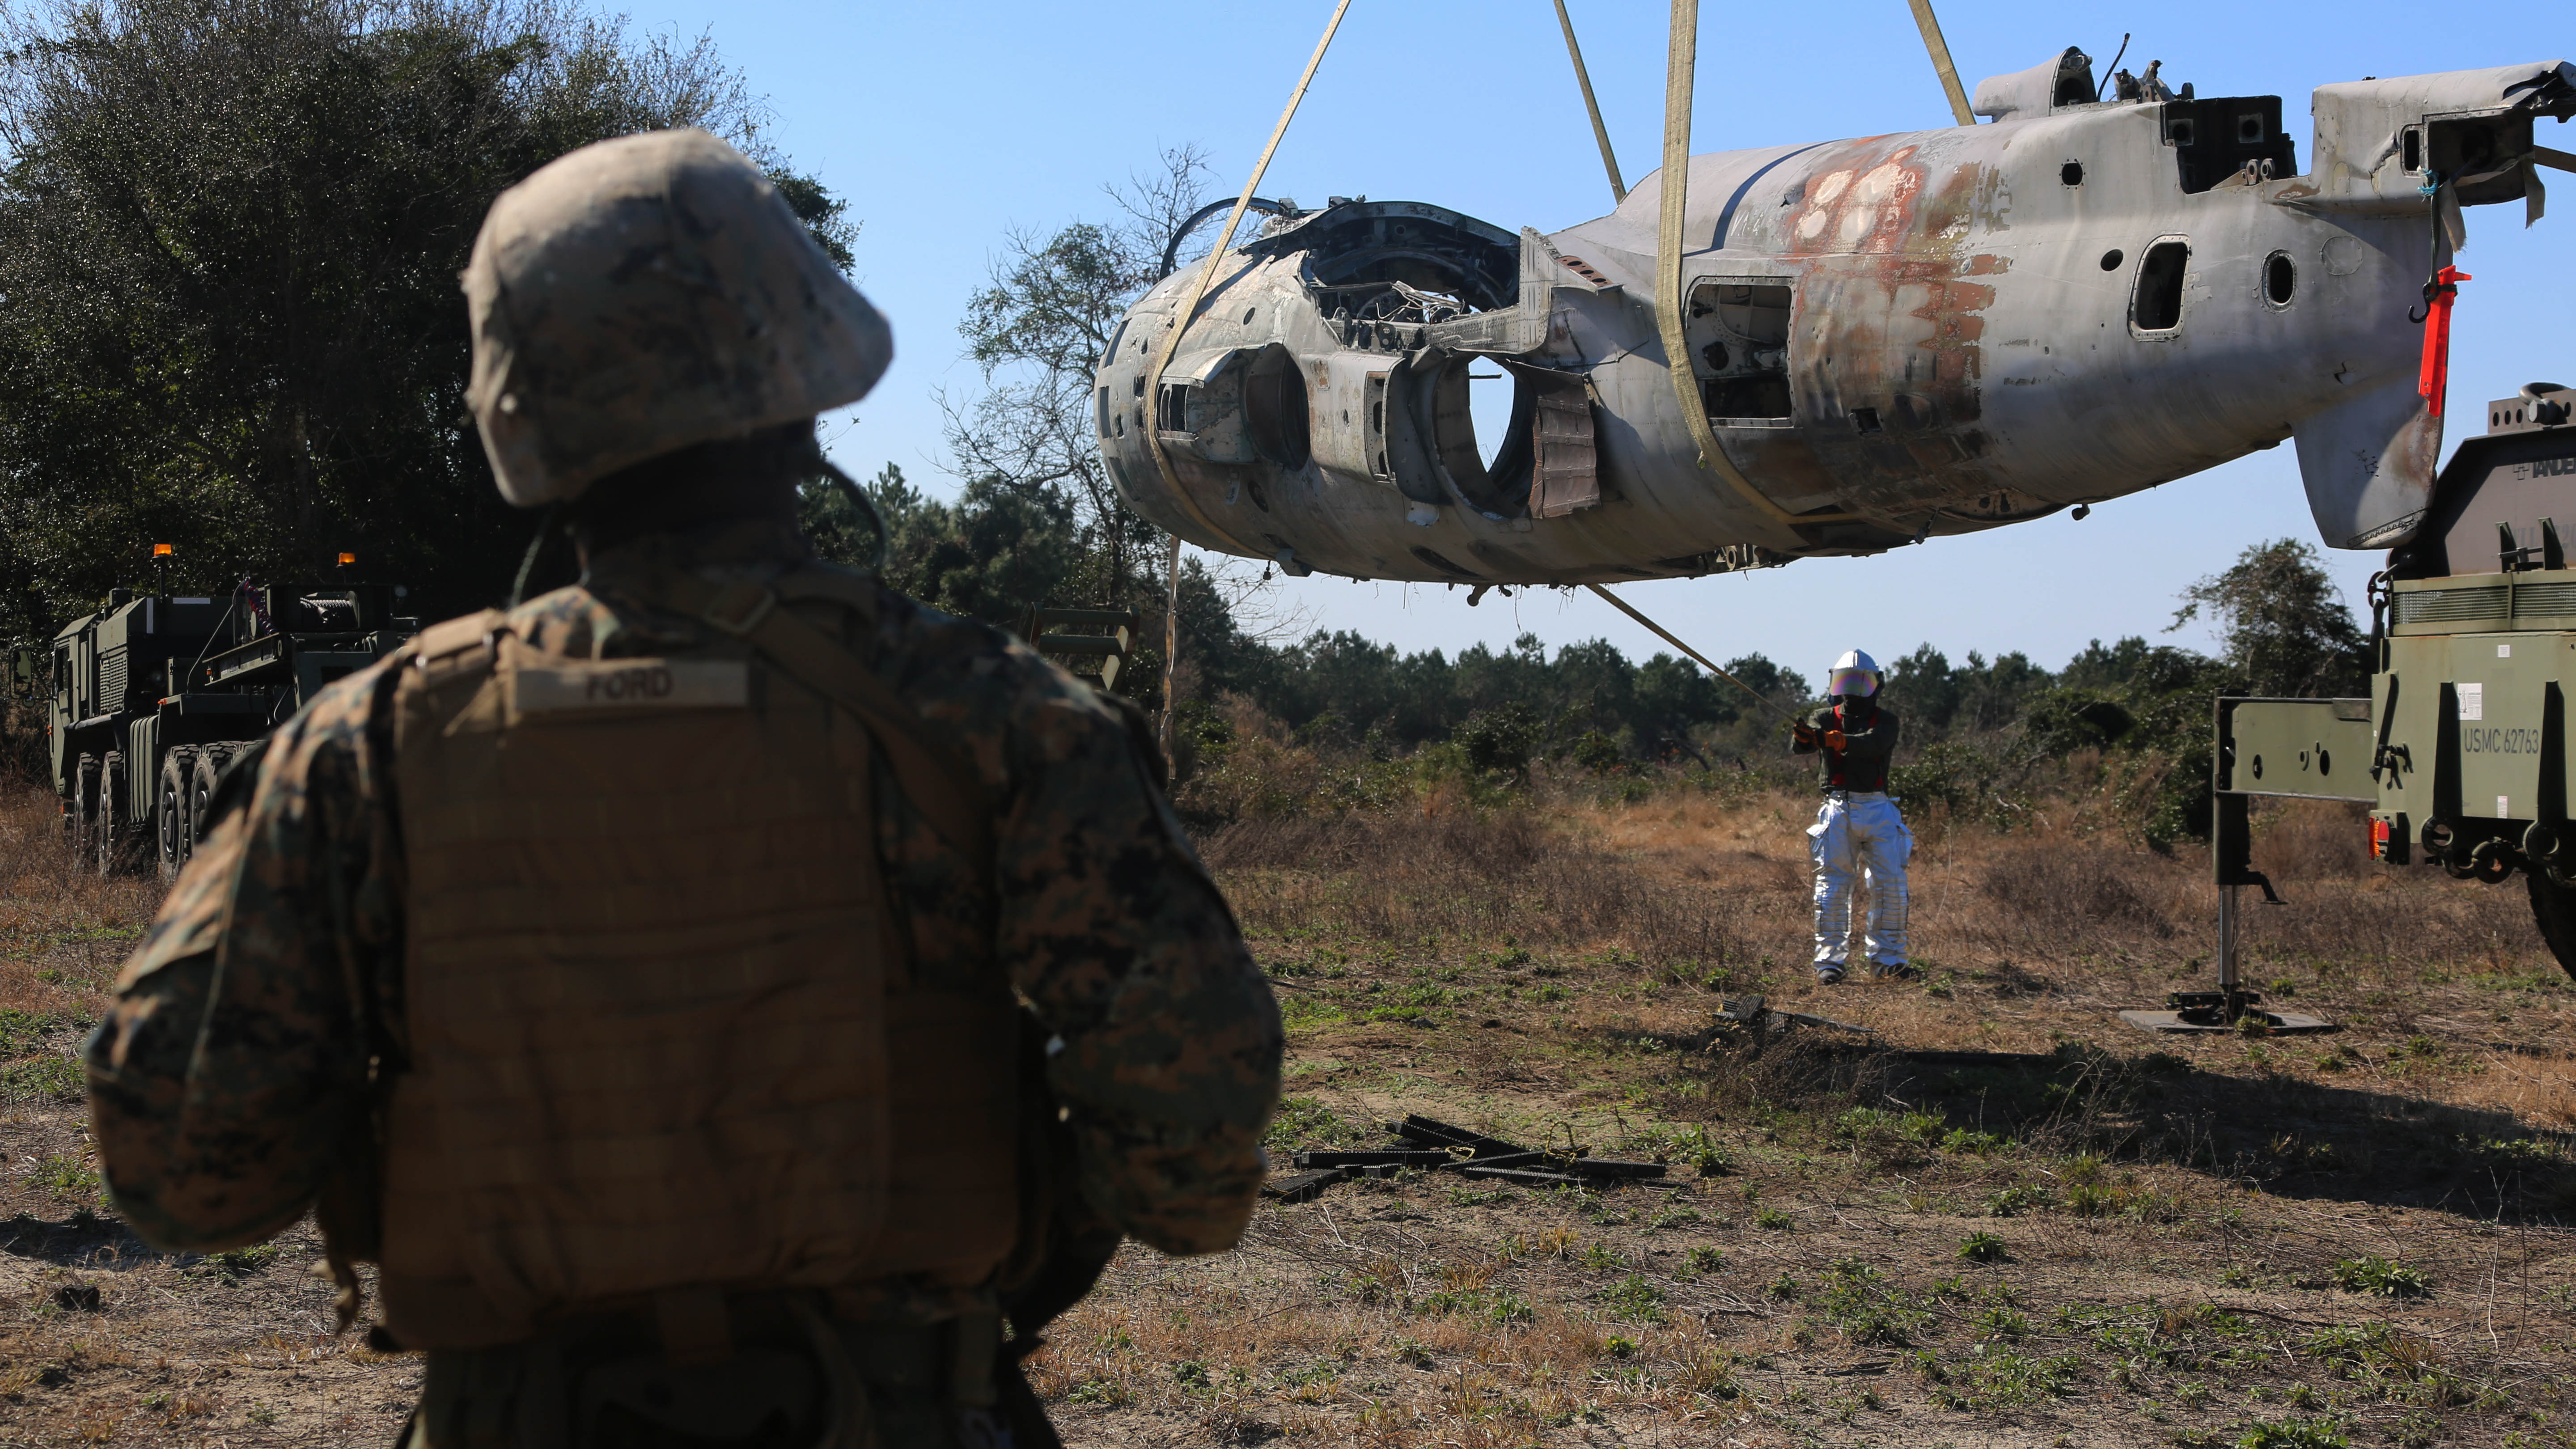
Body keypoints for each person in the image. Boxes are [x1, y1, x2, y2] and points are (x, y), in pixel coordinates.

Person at [85, 128, 1283, 1449]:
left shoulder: (367, 752)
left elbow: (182, 1174)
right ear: (803, 370)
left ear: (515, 406)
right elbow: (1194, 1161)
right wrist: (1028, 1222)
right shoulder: (996, 718)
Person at [1789, 649, 1913, 985]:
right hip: (1838, 807)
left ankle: (1888, 961)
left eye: (1861, 683)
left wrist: (1838, 741)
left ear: (1876, 685)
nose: (1853, 691)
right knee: (1832, 887)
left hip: (1878, 807)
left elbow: (1872, 745)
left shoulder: (1887, 721)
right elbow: (1804, 743)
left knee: (1891, 886)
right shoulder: (1824, 717)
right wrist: (1805, 737)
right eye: (1847, 682)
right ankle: (1829, 963)